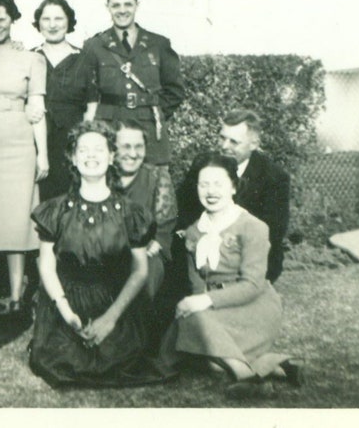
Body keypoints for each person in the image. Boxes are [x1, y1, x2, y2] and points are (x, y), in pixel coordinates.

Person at [29, 121, 168, 388]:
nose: (91, 156)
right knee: (61, 360)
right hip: (66, 301)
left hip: (115, 303)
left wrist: (109, 319)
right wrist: (66, 312)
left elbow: (140, 271)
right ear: (72, 157)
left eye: (99, 149)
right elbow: (46, 266)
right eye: (83, 150)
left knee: (120, 359)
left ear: (111, 156)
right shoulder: (55, 211)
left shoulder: (131, 213)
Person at [159, 154, 302, 399]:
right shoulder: (194, 231)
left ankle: (244, 375)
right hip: (213, 309)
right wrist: (196, 303)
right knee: (189, 352)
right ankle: (276, 366)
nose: (210, 191)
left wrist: (202, 303)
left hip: (253, 307)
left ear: (234, 187)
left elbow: (253, 285)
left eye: (218, 184)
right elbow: (196, 283)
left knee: (197, 337)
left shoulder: (253, 226)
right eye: (204, 184)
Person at [0, 0, 48, 315]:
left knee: (16, 220)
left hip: (18, 143)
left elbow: (37, 108)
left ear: (12, 18)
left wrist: (42, 154)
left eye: (2, 18)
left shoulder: (31, 58)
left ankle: (16, 294)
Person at [176, 109, 291, 282]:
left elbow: (272, 231)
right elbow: (183, 208)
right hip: (202, 246)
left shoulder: (273, 177)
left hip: (248, 254)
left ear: (254, 144)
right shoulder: (204, 164)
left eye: (233, 142)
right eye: (222, 138)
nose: (224, 146)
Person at [82, 0, 185, 168]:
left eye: (128, 4)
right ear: (108, 7)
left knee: (155, 186)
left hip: (150, 134)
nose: (122, 10)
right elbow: (86, 92)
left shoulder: (158, 44)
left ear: (137, 5)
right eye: (116, 5)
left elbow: (175, 91)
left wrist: (153, 112)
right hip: (110, 130)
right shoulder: (94, 46)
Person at [32, 0, 90, 202]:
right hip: (37, 142)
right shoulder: (29, 57)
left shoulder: (84, 59)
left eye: (59, 18)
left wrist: (84, 144)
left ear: (69, 21)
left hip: (72, 141)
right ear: (38, 23)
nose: (52, 25)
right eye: (46, 19)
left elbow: (91, 107)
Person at [114, 122, 177, 302]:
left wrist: (155, 241)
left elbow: (165, 222)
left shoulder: (156, 177)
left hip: (148, 251)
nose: (133, 154)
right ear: (112, 148)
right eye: (126, 147)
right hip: (107, 247)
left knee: (144, 275)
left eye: (139, 147)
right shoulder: (104, 176)